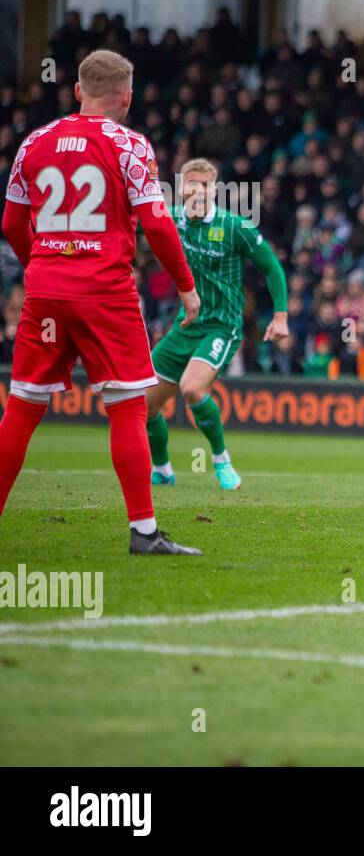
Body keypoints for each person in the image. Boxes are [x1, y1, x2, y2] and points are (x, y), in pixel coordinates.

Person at [0, 49, 202, 554]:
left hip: (46, 290)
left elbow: (9, 224)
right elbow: (156, 223)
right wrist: (185, 285)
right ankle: (144, 533)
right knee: (127, 406)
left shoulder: (33, 143)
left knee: (22, 407)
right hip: (104, 293)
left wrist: (39, 266)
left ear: (76, 91)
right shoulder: (130, 145)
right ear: (127, 97)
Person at [144, 158, 290, 490]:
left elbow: (271, 267)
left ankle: (222, 462)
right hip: (185, 324)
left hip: (222, 325)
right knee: (143, 405)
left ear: (215, 189)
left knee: (192, 389)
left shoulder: (235, 226)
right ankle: (163, 469)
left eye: (205, 184)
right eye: (191, 183)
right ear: (181, 187)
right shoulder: (170, 220)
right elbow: (134, 221)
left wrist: (280, 316)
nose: (198, 190)